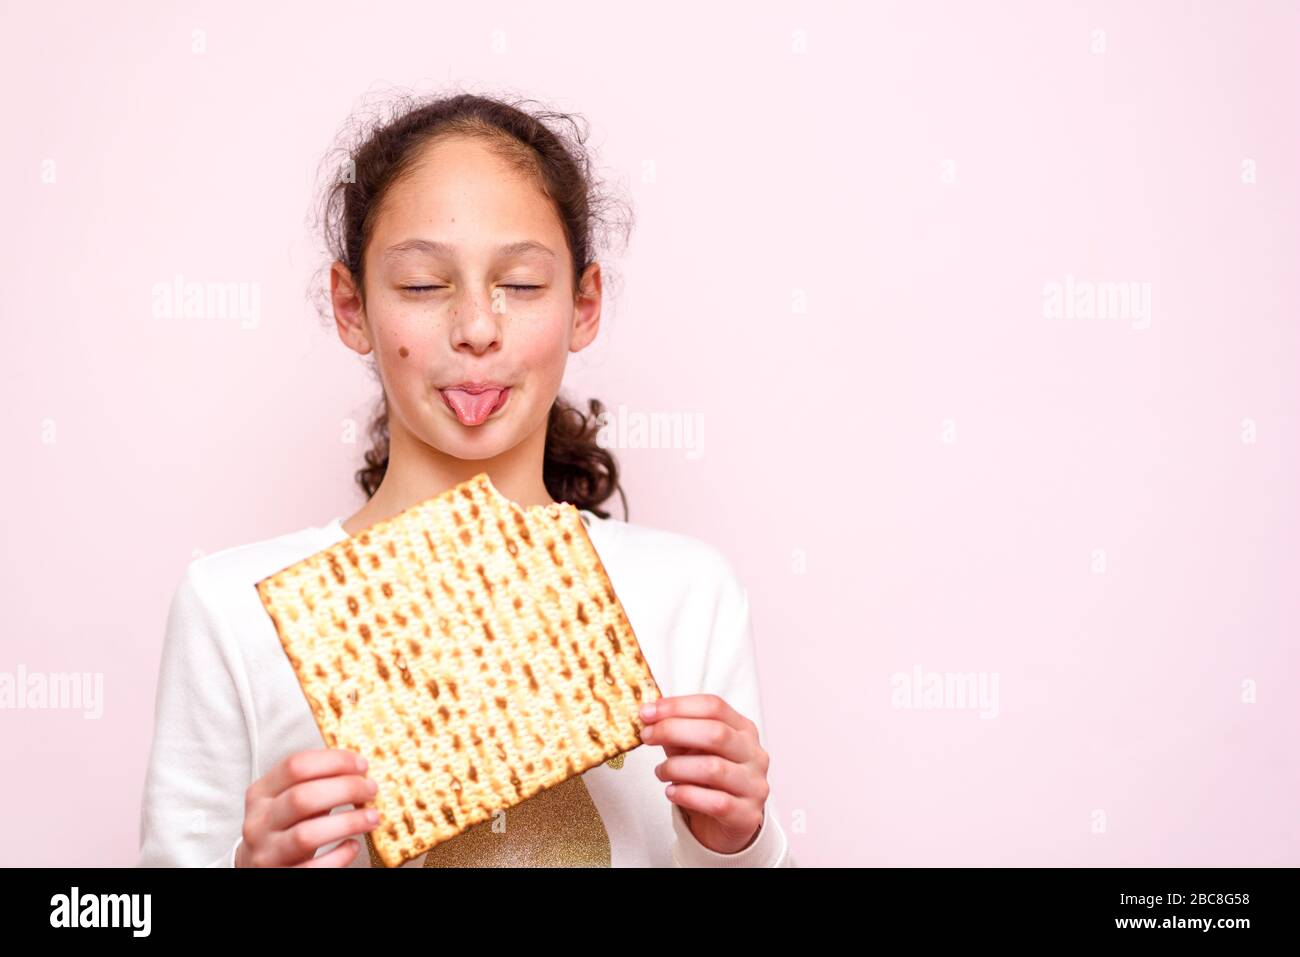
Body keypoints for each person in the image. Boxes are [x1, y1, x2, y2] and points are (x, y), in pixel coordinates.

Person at [136, 91, 791, 868]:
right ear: (353, 307)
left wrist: (738, 841)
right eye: (421, 285)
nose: (477, 327)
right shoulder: (230, 608)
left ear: (584, 305)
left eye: (520, 284)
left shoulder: (689, 591)